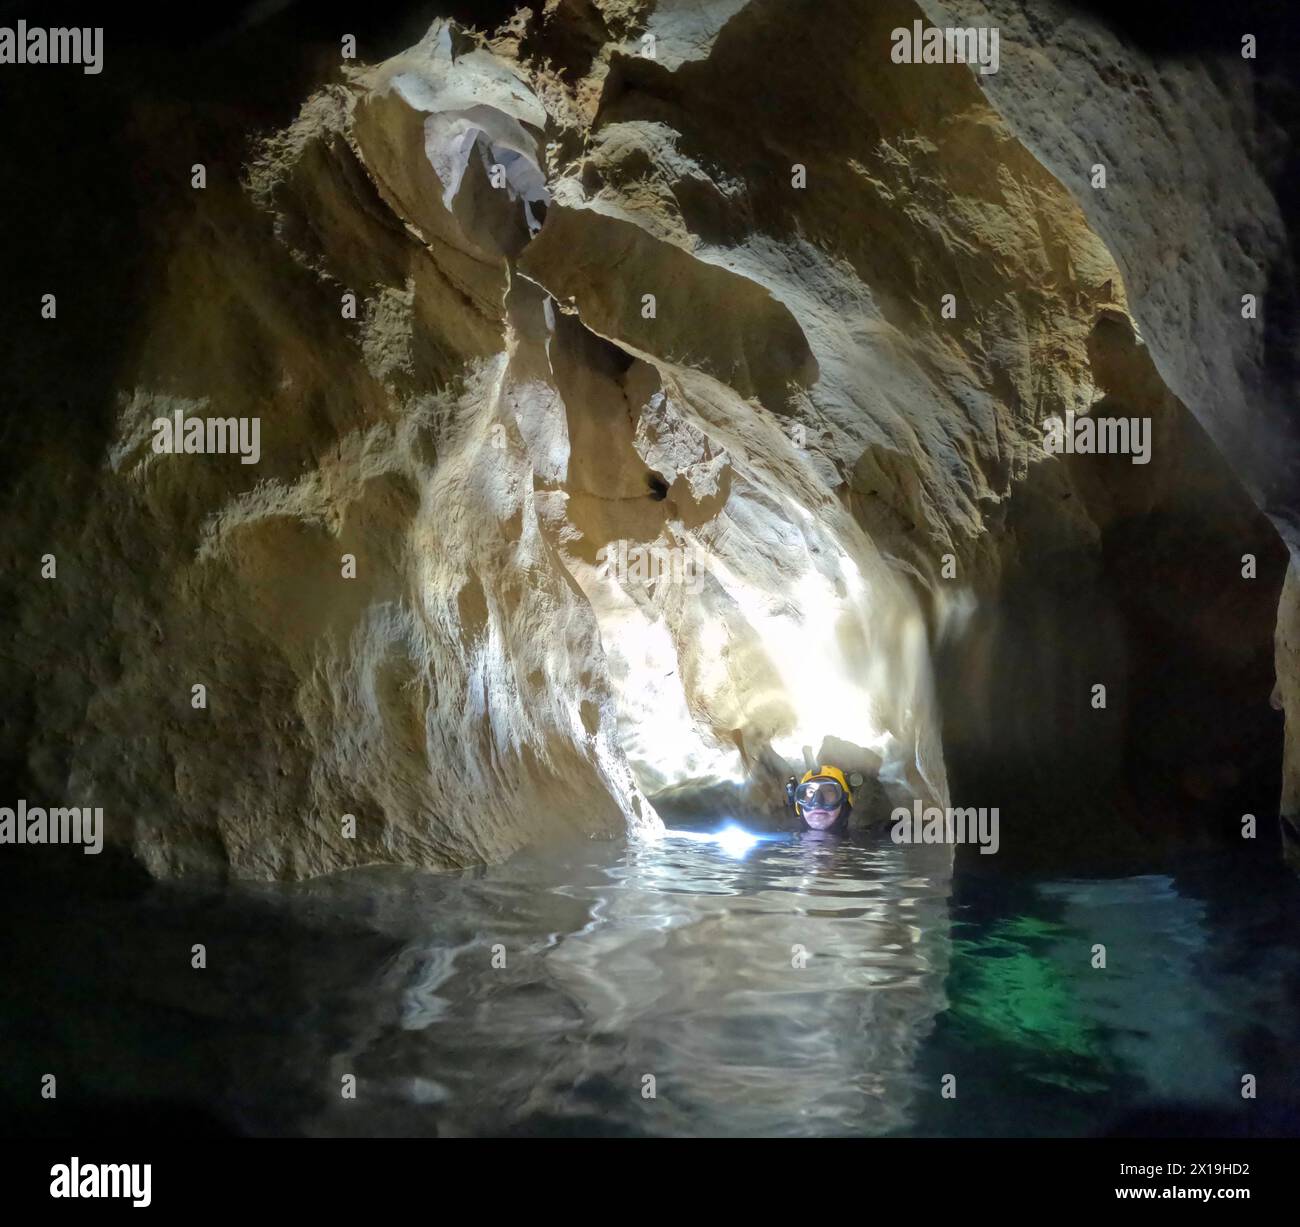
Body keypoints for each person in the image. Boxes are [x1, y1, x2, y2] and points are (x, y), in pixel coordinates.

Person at [786, 765, 854, 833]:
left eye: (828, 791)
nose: (817, 803)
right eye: (811, 792)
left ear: (844, 800)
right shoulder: (786, 836)